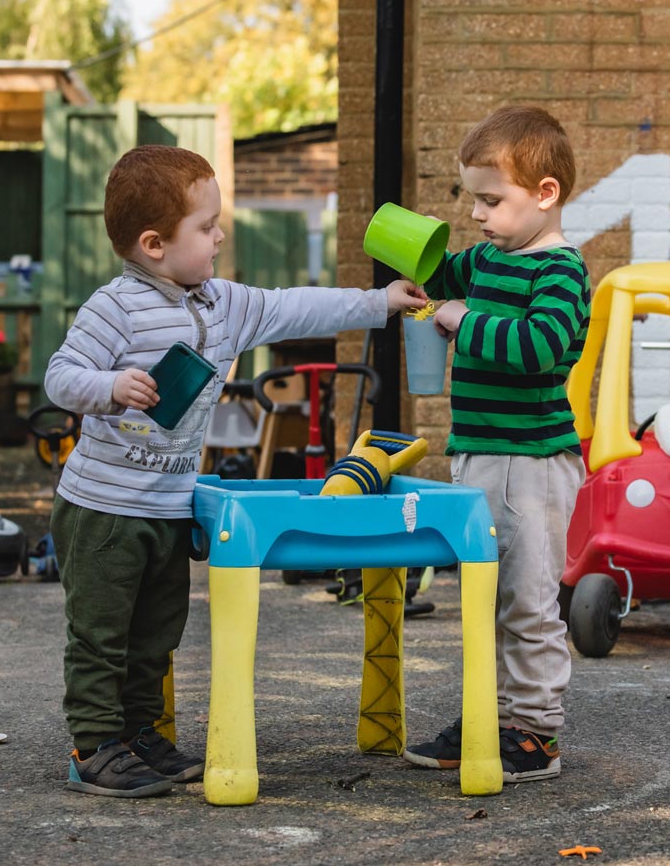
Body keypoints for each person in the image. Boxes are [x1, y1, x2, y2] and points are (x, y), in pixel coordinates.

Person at [44, 144, 427, 798]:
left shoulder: (222, 304)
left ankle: (140, 737)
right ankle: (95, 746)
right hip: (105, 509)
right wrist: (110, 385)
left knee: (156, 633)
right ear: (154, 244)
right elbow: (59, 377)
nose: (220, 234)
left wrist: (378, 301)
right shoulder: (115, 307)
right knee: (103, 634)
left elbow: (296, 307)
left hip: (167, 506)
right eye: (206, 226)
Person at [402, 105, 591, 783]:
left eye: (491, 200)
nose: (477, 216)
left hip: (533, 464)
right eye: (471, 199)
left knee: (527, 601)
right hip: (480, 453)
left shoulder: (560, 273)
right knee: (484, 595)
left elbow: (536, 349)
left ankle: (535, 732)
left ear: (545, 195)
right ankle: (491, 717)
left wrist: (458, 316)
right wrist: (411, 270)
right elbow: (434, 276)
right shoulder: (487, 259)